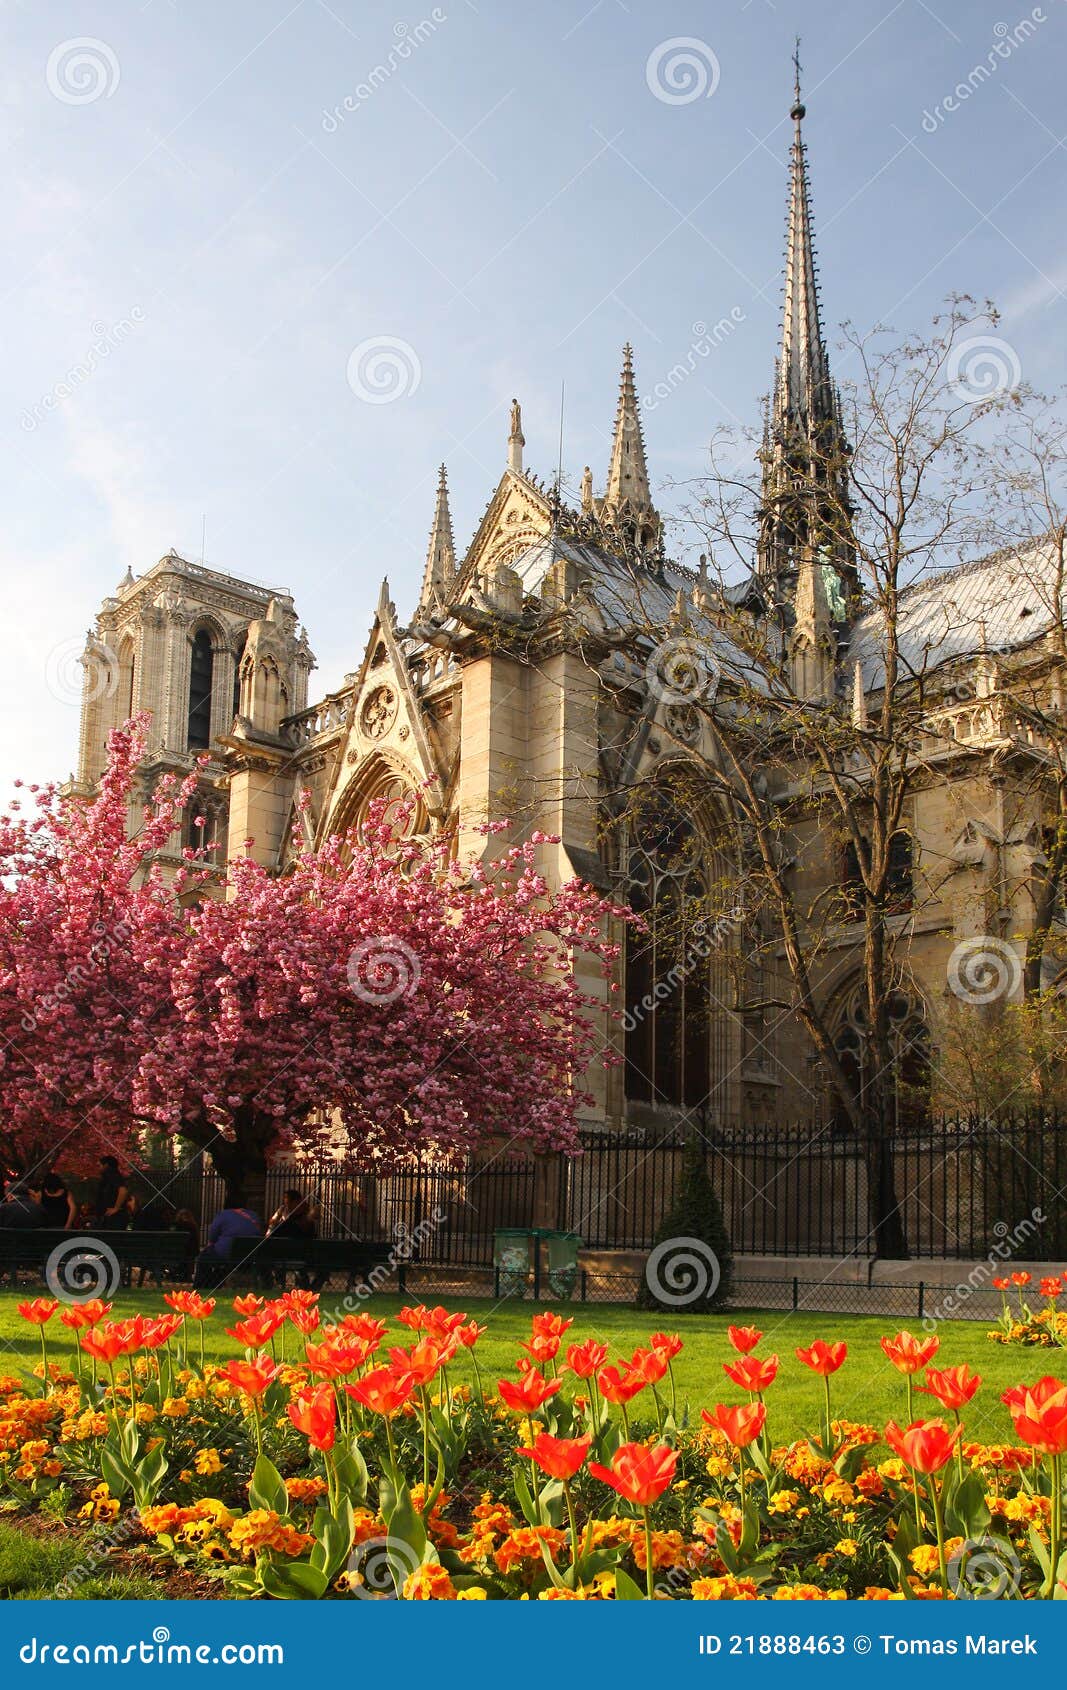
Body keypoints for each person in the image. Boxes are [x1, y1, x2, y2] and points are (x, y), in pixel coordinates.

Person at [192, 1199, 262, 1288]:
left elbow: (213, 1235)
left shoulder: (224, 1214)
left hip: (227, 1253)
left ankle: (200, 1286)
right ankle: (214, 1285)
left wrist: (211, 1244)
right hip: (250, 1255)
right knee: (223, 1265)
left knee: (203, 1258)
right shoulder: (254, 1216)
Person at [94, 1157, 128, 1229]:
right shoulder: (110, 1177)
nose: (98, 1168)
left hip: (114, 1218)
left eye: (99, 1166)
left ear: (106, 1165)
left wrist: (116, 1208)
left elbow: (123, 1191)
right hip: (111, 1216)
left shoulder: (112, 1176)